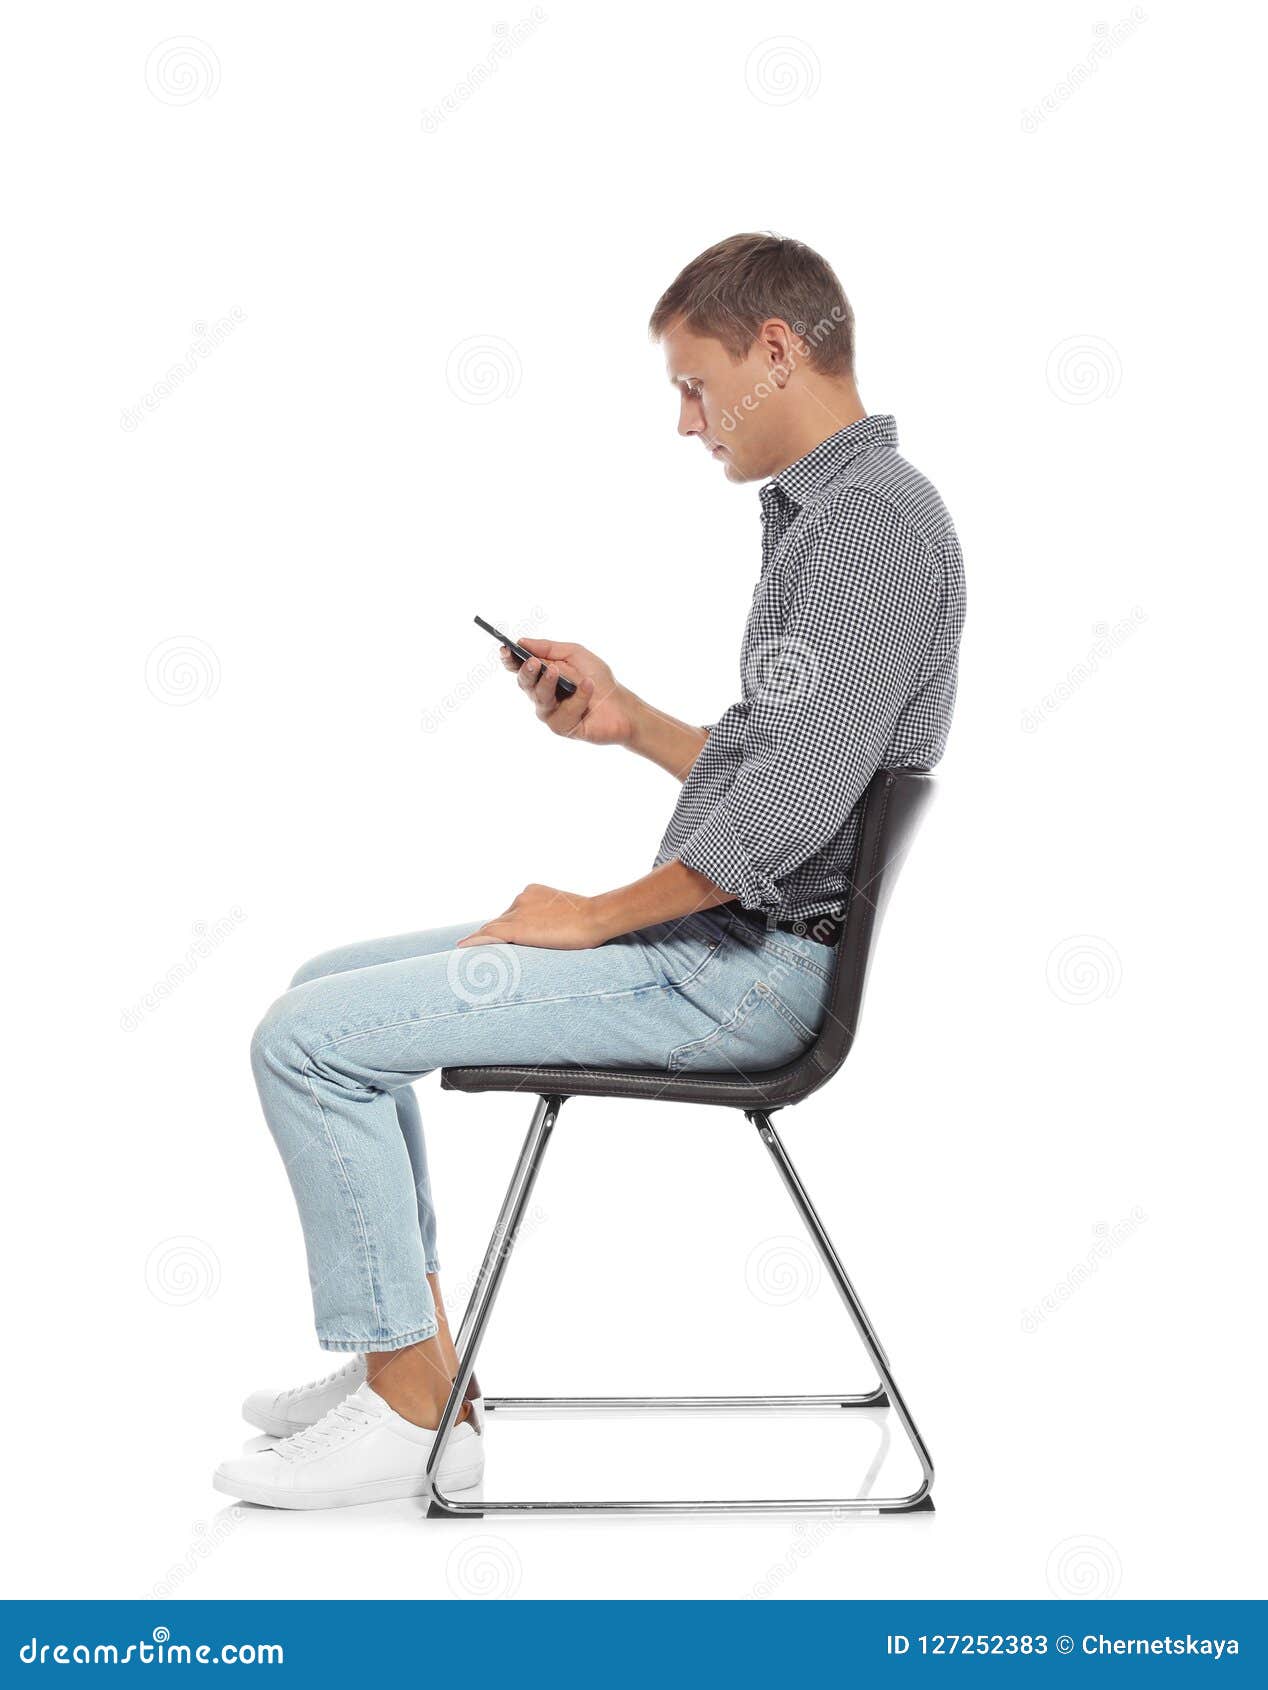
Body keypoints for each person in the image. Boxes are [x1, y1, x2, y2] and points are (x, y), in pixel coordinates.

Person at [213, 232, 967, 1510]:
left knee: (304, 1040)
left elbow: (781, 814)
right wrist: (625, 719)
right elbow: (774, 760)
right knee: (324, 985)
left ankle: (411, 1415)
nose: (682, 422)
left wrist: (595, 917)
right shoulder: (826, 515)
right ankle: (415, 1355)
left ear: (774, 350)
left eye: (691, 382)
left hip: (746, 978)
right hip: (731, 945)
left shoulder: (869, 529)